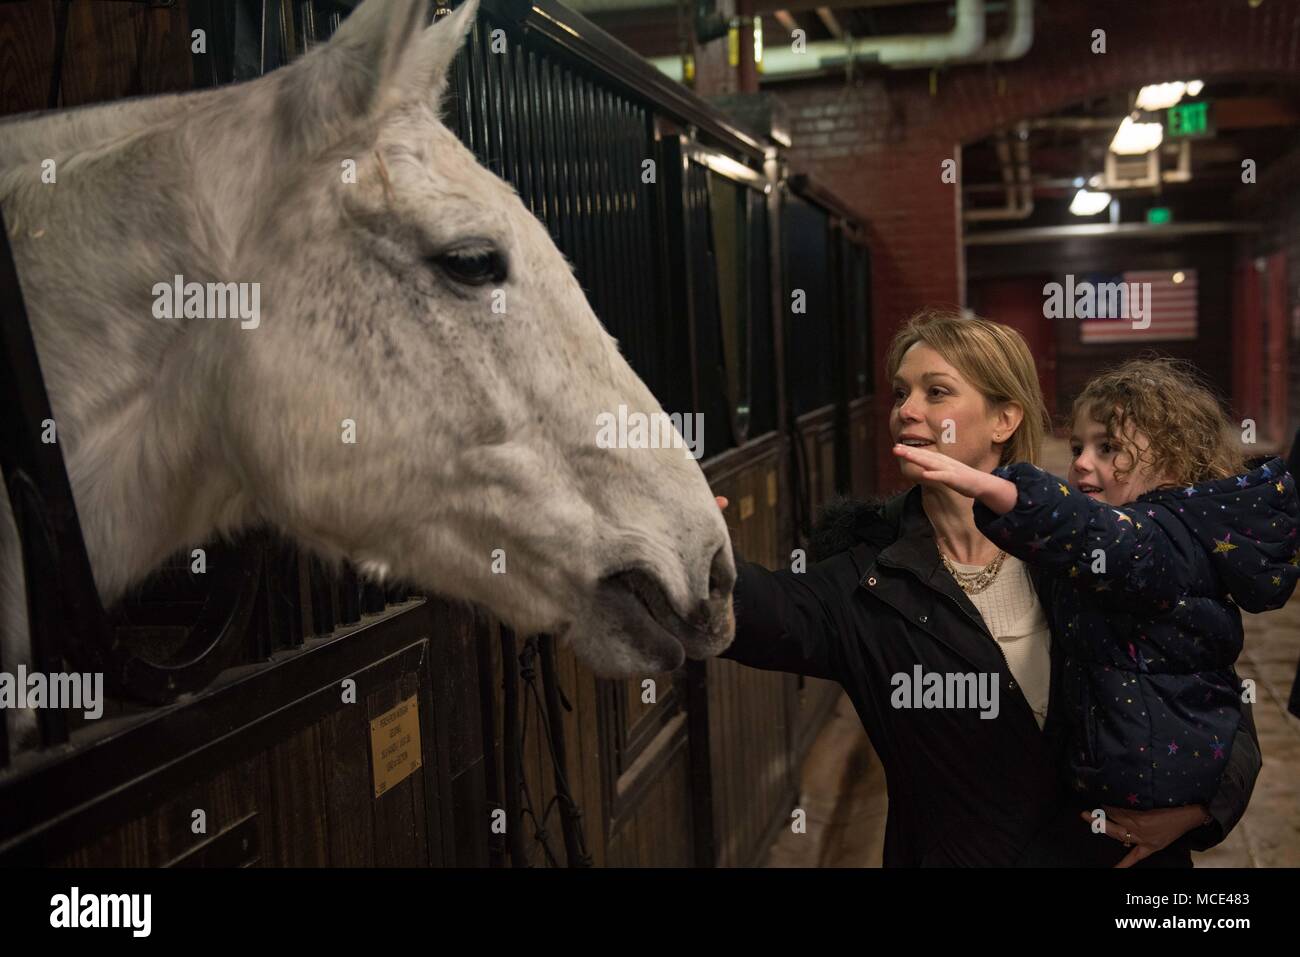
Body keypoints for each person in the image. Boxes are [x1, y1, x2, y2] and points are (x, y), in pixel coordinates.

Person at [717, 310, 1261, 866]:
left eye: (937, 392)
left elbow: (1214, 696)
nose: (906, 411)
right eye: (901, 393)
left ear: (1004, 418)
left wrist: (1200, 811)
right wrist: (697, 553)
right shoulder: (869, 577)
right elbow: (761, 613)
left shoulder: (1086, 545)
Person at [893, 357, 1297, 816]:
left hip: (1149, 776)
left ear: (1175, 461)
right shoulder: (1169, 535)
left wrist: (996, 490)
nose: (1082, 463)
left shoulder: (1160, 538)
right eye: (1078, 447)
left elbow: (1096, 533)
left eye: (1108, 448)